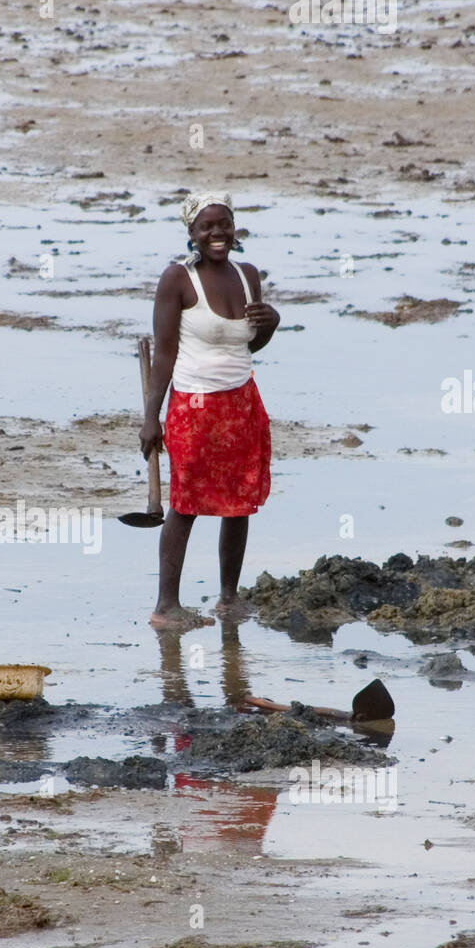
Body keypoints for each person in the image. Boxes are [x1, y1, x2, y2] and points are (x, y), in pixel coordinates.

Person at [139, 189, 280, 626]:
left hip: (242, 403)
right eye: (207, 226)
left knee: (240, 504)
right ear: (192, 233)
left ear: (235, 230)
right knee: (187, 503)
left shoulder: (248, 274)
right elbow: (164, 353)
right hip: (194, 407)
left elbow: (251, 344)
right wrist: (151, 418)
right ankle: (166, 606)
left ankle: (228, 598)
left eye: (224, 225)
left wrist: (271, 325)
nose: (217, 233)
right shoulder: (177, 280)